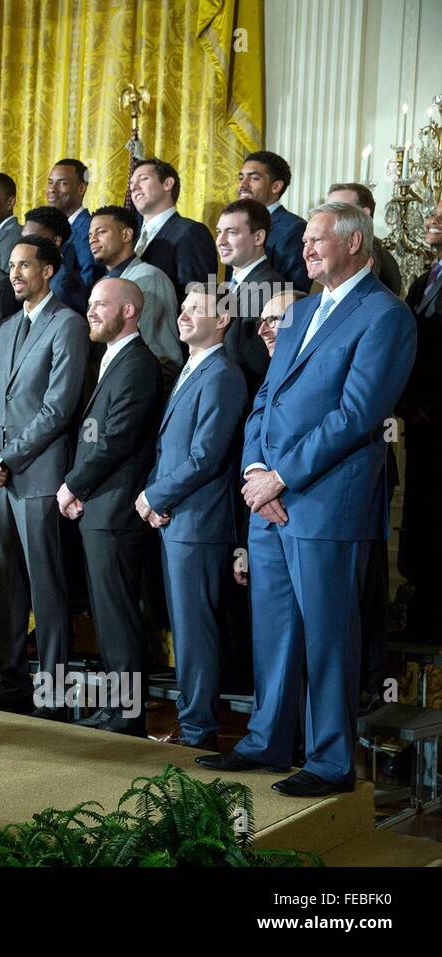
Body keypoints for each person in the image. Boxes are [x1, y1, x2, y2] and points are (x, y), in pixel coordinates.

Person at [199, 203, 416, 797]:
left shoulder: (386, 316)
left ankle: (329, 761)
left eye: (320, 240)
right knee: (275, 632)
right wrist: (253, 469)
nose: (308, 250)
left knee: (328, 637)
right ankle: (268, 739)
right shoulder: (296, 315)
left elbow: (358, 415)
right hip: (269, 501)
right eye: (308, 241)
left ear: (354, 243)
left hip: (327, 503)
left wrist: (282, 477)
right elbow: (264, 401)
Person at [0, 236, 88, 717]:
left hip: (37, 473)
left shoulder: (69, 325)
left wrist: (8, 458)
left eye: (25, 265)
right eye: (12, 265)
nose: (15, 273)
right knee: (4, 587)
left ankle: (55, 691)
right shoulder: (2, 330)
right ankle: (11, 680)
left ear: (48, 271)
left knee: (46, 586)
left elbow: (58, 408)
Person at [137, 287, 249, 751]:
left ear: (222, 320)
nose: (182, 316)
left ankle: (199, 731)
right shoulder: (193, 368)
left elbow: (205, 456)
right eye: (182, 309)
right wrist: (156, 499)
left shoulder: (223, 374)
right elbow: (171, 449)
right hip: (176, 520)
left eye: (195, 310)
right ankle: (192, 723)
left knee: (195, 630)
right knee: (185, 628)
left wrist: (154, 496)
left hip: (199, 523)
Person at [59, 278, 163, 735]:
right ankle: (115, 708)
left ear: (129, 312)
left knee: (119, 617)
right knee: (106, 615)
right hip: (99, 507)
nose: (91, 311)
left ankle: (128, 716)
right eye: (90, 303)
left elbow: (117, 439)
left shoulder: (139, 364)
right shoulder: (110, 359)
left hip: (116, 510)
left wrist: (73, 485)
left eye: (102, 304)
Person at [397, 198, 442, 644]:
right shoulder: (423, 279)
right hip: (421, 423)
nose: (433, 218)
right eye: (434, 210)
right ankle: (423, 618)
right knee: (422, 520)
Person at [88, 204, 183, 388]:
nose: (92, 240)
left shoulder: (149, 278)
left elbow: (162, 354)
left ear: (126, 235)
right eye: (90, 235)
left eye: (101, 232)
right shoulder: (104, 283)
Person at [217, 199, 285, 396]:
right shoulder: (231, 285)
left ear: (258, 237)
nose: (220, 240)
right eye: (219, 231)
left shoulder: (269, 287)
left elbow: (256, 365)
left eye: (231, 232)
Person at [129, 157, 217, 306]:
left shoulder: (191, 232)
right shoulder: (133, 238)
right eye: (131, 184)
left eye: (143, 179)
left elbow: (198, 296)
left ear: (167, 184)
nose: (134, 187)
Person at [236, 151, 310, 293]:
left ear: (276, 186)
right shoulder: (236, 226)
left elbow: (292, 291)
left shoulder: (294, 229)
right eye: (241, 178)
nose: (243, 184)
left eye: (254, 178)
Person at [327, 183, 403, 296]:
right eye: (327, 210)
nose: (327, 216)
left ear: (364, 214)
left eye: (339, 209)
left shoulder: (370, 255)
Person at [22, 206, 89, 317]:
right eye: (23, 237)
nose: (23, 244)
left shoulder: (62, 284)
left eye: (32, 238)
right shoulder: (41, 273)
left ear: (56, 241)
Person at [47, 159, 99, 287]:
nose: (52, 189)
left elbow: (87, 281)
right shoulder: (49, 228)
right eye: (50, 182)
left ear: (81, 188)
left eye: (62, 183)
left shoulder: (89, 229)